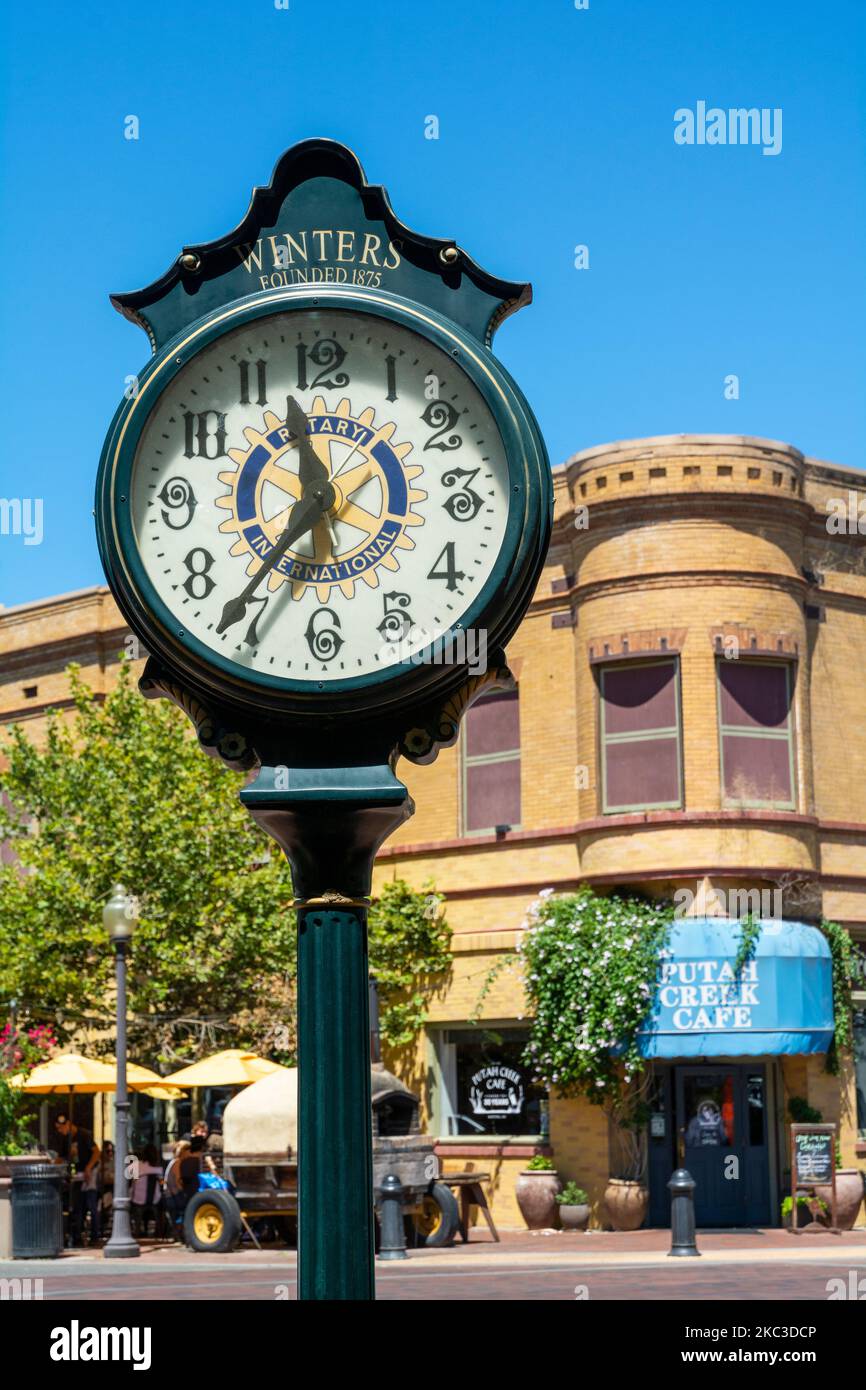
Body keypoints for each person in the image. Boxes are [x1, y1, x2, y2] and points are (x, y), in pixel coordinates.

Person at [54, 1114, 101, 1247]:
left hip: (90, 1172)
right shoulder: (65, 1139)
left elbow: (96, 1152)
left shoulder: (84, 1135)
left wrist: (88, 1168)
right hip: (78, 1174)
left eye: (60, 1127)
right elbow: (61, 1157)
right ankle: (77, 1236)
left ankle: (95, 1235)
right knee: (77, 1205)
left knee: (91, 1204)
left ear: (68, 1124)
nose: (59, 1131)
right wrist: (51, 1164)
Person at [130, 1144, 164, 1237]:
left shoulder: (135, 1165)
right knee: (162, 1205)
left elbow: (132, 1182)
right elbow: (162, 1183)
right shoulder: (159, 1169)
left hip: (137, 1199)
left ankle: (137, 1230)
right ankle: (160, 1230)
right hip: (154, 1200)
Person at [164, 1140, 190, 1237]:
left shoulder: (174, 1162)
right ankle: (180, 1232)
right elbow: (178, 1183)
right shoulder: (178, 1163)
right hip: (172, 1197)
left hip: (172, 1196)